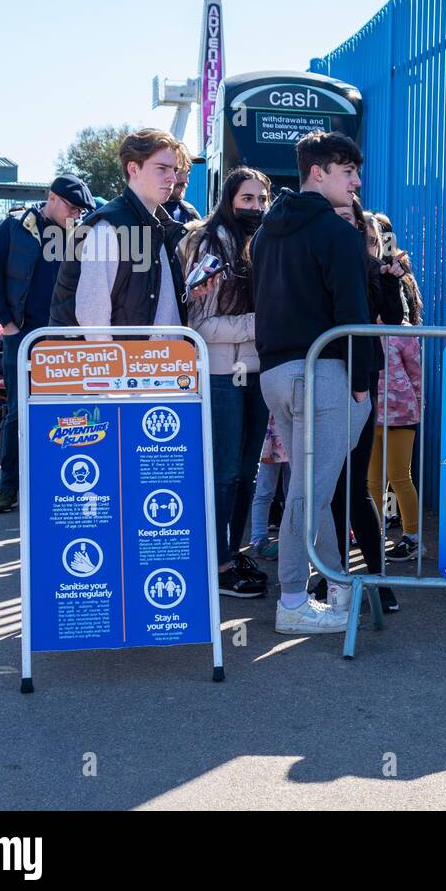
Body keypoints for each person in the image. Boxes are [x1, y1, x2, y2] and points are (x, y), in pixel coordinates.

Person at [252, 130, 375, 635]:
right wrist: (362, 383)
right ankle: (293, 601)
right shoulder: (337, 234)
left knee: (313, 491)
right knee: (307, 495)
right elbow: (355, 315)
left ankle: (340, 588)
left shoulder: (265, 232)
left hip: (276, 373)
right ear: (317, 172)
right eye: (347, 171)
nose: (357, 181)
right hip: (324, 373)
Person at [178, 166, 272, 597]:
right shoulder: (207, 242)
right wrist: (262, 324)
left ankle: (231, 554)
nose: (255, 207)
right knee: (224, 473)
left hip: (256, 373)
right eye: (246, 199)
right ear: (228, 198)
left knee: (246, 475)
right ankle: (214, 562)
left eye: (261, 200)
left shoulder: (265, 243)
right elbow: (200, 323)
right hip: (219, 373)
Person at [0, 173, 94, 514]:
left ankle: (57, 485)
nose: (75, 215)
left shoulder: (81, 233)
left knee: (67, 415)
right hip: (24, 336)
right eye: (72, 208)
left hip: (65, 339)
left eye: (80, 211)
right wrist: (8, 323)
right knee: (18, 412)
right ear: (53, 198)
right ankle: (9, 487)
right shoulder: (16, 226)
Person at [49, 129, 189, 333]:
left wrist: (190, 293)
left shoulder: (160, 225)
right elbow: (93, 318)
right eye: (162, 169)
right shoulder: (108, 227)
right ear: (133, 168)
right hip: (129, 362)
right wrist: (116, 364)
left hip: (162, 361)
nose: (172, 178)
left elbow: (158, 301)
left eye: (174, 169)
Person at [366, 238, 423, 564]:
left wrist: (417, 404)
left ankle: (412, 536)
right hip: (375, 412)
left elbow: (415, 372)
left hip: (400, 414)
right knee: (374, 480)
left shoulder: (402, 330)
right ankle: (374, 534)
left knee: (399, 476)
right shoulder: (363, 326)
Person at [249, 415, 289, 561]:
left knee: (293, 494)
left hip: (294, 431)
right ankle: (258, 540)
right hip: (271, 432)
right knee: (264, 491)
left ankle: (290, 540)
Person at [163, 152, 202, 223]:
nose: (186, 180)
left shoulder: (190, 213)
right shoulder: (144, 213)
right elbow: (140, 233)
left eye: (187, 173)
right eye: (178, 171)